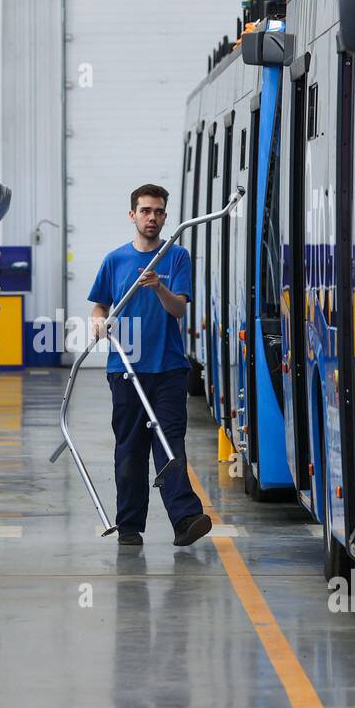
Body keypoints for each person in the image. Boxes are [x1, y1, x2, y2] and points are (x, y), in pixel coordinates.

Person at [88, 184, 213, 548]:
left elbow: (179, 310)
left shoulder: (176, 258)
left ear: (165, 217)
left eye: (158, 212)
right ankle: (129, 526)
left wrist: (159, 287)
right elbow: (99, 305)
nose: (152, 218)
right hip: (125, 370)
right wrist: (98, 322)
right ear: (133, 215)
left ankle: (185, 519)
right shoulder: (115, 260)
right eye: (145, 211)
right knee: (130, 448)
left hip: (169, 370)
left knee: (170, 445)